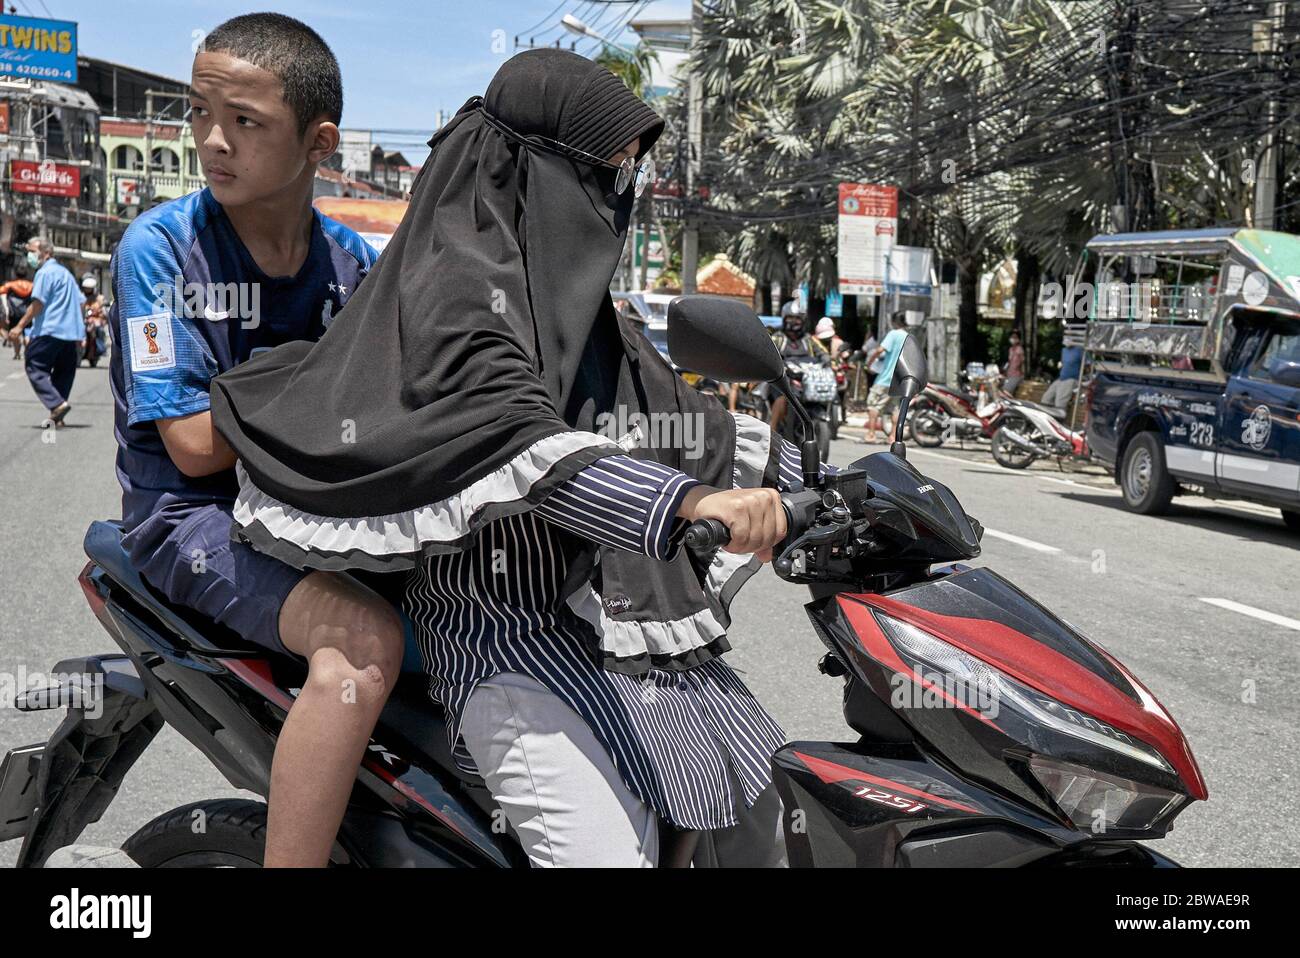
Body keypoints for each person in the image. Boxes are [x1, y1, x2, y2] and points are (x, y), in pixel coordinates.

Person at [212, 49, 803, 868]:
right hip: (507, 636)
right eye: (603, 172)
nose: (614, 198)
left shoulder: (581, 307)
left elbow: (675, 416)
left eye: (627, 174)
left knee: (770, 829)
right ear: (534, 171)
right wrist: (689, 507)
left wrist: (823, 484)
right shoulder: (456, 290)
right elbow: (511, 428)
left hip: (625, 631)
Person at [107, 13, 403, 868]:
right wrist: (330, 405)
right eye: (201, 114)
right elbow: (196, 444)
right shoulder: (161, 250)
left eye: (243, 122)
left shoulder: (357, 264)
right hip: (191, 522)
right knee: (362, 645)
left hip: (323, 514)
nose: (212, 141)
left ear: (319, 143)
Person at [6, 239, 84, 424]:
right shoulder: (66, 274)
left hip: (50, 330)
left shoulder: (44, 273)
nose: (29, 255)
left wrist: (19, 326)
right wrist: (79, 328)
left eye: (32, 251)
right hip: (70, 332)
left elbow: (38, 303)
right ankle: (59, 411)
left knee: (34, 366)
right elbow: (81, 302)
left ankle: (56, 404)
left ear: (45, 253)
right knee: (64, 372)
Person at [768, 298, 829, 433]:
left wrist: (826, 360)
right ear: (784, 318)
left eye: (798, 318)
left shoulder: (808, 339)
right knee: (782, 398)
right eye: (790, 318)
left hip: (806, 378)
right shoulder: (777, 337)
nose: (794, 322)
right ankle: (772, 430)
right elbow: (769, 354)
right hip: (782, 378)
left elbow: (822, 351)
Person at [859, 311, 909, 443]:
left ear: (894, 322)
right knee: (895, 408)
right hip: (899, 379)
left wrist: (869, 363)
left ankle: (871, 434)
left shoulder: (893, 334)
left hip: (885, 377)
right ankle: (893, 437)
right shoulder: (908, 336)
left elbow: (880, 350)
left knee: (873, 404)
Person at [1, 265, 34, 360]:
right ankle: (28, 351)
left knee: (15, 333)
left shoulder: (9, 285)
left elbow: (1, 294)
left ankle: (17, 353)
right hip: (28, 312)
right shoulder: (31, 285)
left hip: (15, 313)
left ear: (15, 274)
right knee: (27, 333)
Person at [1040, 341, 1083, 408]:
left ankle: (1059, 417)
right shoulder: (1064, 350)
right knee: (1046, 399)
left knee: (1060, 403)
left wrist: (1082, 379)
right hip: (1061, 378)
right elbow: (1063, 364)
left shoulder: (1079, 350)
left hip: (1071, 379)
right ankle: (1048, 416)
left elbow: (1087, 365)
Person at [81, 275, 109, 365]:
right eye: (86, 288)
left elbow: (104, 311)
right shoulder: (81, 297)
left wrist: (101, 313)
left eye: (89, 288)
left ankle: (101, 348)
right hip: (83, 320)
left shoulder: (99, 298)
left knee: (99, 330)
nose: (87, 290)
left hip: (96, 320)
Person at [1004, 329, 1025, 397]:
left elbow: (1021, 362)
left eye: (1015, 337)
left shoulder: (1019, 349)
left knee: (1005, 392)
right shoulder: (1010, 349)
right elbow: (1009, 363)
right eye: (1012, 337)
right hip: (1009, 375)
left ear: (1018, 339)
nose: (1013, 339)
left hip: (1016, 375)